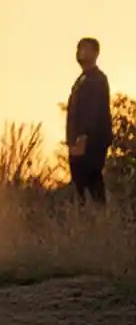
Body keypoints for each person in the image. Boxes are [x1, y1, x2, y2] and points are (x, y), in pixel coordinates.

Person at [66, 37, 112, 205]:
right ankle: (86, 223)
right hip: (76, 143)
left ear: (95, 53)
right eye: (79, 49)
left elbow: (93, 110)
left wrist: (84, 136)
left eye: (85, 49)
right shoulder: (81, 80)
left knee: (92, 181)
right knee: (79, 187)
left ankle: (102, 222)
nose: (80, 53)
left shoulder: (97, 79)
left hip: (91, 142)